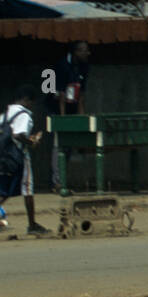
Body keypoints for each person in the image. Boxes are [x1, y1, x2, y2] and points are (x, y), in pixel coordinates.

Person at [0, 86, 52, 236]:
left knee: (5, 190)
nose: (32, 106)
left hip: (3, 156)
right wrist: (32, 141)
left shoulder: (7, 113)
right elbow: (18, 134)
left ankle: (32, 224)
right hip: (18, 157)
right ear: (27, 101)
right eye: (32, 103)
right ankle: (32, 224)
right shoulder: (24, 115)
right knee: (27, 188)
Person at [49, 40, 91, 192]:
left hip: (72, 107)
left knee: (68, 145)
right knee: (58, 143)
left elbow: (82, 93)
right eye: (83, 50)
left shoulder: (84, 67)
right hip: (58, 108)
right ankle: (57, 182)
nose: (87, 53)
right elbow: (59, 95)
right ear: (75, 52)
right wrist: (63, 119)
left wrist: (81, 116)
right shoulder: (61, 66)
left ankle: (63, 180)